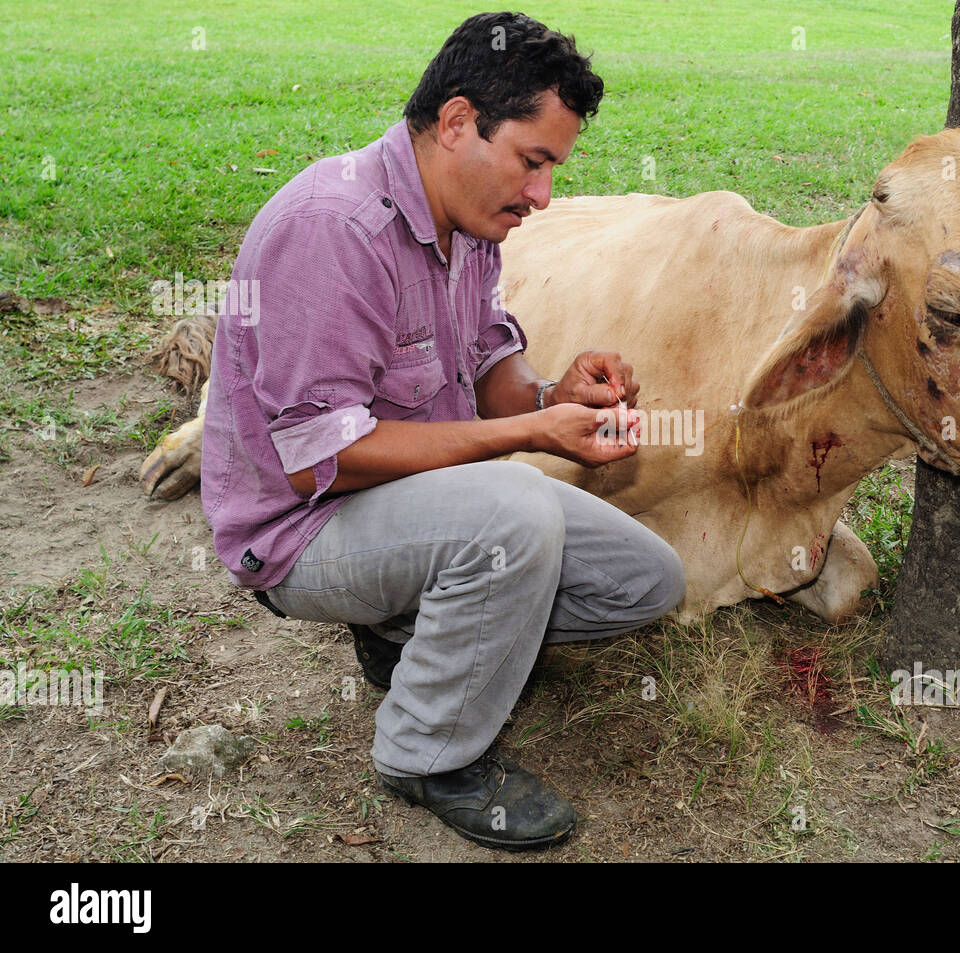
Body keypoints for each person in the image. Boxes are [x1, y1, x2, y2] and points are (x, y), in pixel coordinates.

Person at [200, 11, 686, 851]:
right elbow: (323, 458)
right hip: (303, 530)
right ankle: (425, 753)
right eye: (533, 162)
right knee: (514, 515)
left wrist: (548, 392)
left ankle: (413, 630)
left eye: (552, 169)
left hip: (419, 503)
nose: (543, 196)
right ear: (458, 122)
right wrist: (528, 436)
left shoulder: (471, 221)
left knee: (648, 579)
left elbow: (491, 369)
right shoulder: (335, 229)